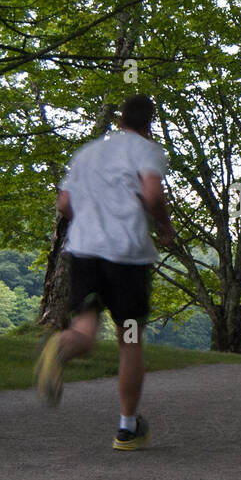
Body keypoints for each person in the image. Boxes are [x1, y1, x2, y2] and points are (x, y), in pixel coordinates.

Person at [34, 95, 175, 449]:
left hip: (83, 252)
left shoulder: (88, 153)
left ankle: (59, 347)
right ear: (149, 123)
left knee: (84, 325)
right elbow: (153, 194)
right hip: (127, 256)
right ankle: (127, 428)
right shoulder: (146, 150)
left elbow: (65, 204)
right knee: (129, 340)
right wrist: (164, 227)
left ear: (120, 118)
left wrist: (93, 222)